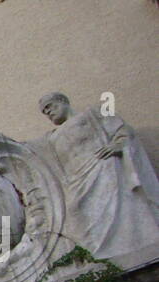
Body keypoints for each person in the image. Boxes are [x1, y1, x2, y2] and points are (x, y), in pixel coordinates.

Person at [35, 92, 159, 261]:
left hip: (105, 171)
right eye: (44, 111)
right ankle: (102, 257)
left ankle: (133, 246)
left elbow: (122, 130)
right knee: (74, 210)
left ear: (63, 101)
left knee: (122, 212)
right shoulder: (51, 138)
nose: (48, 112)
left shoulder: (93, 114)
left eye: (50, 106)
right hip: (78, 182)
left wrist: (119, 144)